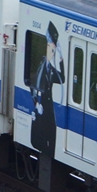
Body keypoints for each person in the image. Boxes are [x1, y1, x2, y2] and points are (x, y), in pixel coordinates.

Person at [29, 23, 64, 164]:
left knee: (51, 138)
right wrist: (36, 103)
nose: (52, 52)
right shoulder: (42, 66)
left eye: (54, 50)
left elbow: (63, 78)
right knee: (42, 138)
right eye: (50, 48)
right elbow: (34, 84)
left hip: (49, 110)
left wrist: (61, 60)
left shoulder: (51, 68)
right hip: (42, 107)